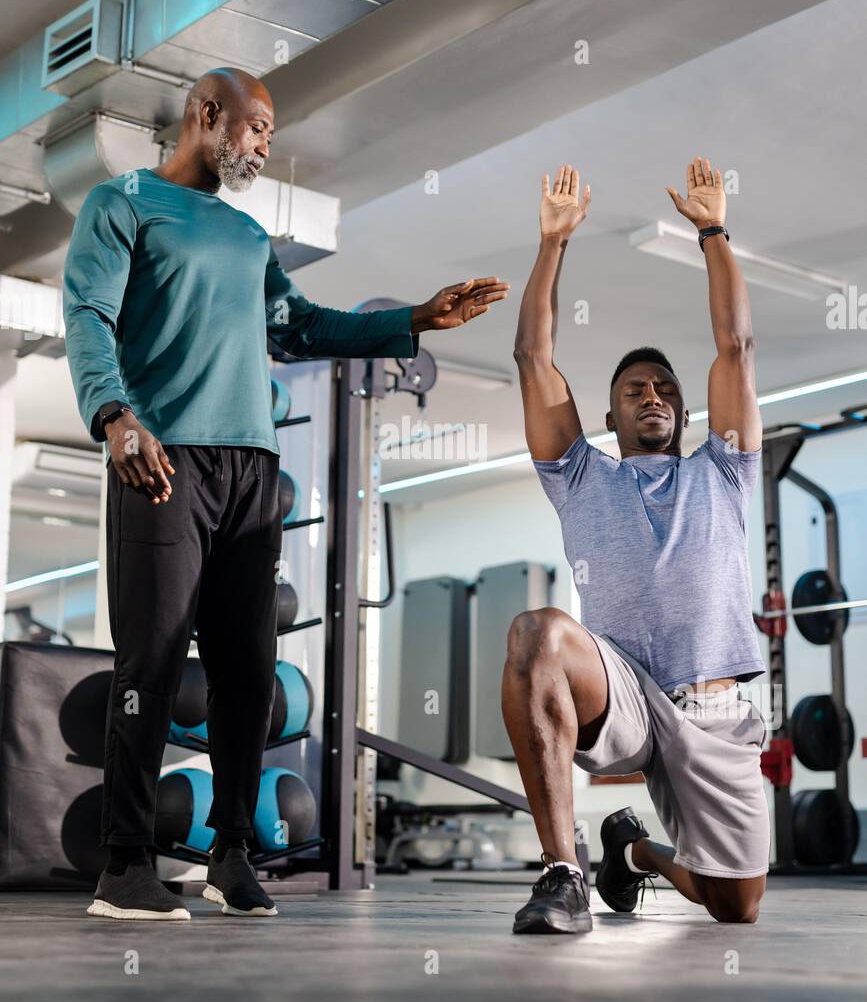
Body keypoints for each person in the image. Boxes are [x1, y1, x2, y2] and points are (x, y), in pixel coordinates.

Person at [63, 66, 509, 921]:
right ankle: (123, 866)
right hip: (164, 460)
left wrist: (412, 318)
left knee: (248, 673)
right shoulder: (122, 204)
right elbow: (87, 313)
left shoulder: (243, 235)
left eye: (270, 132)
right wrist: (114, 416)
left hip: (251, 472)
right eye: (257, 127)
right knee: (149, 665)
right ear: (207, 115)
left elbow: (296, 325)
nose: (267, 144)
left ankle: (231, 850)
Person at [503, 158, 768, 935]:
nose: (651, 395)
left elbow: (738, 347)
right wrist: (551, 246)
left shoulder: (724, 469)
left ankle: (634, 854)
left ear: (682, 412)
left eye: (664, 389)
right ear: (609, 419)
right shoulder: (579, 474)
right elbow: (531, 358)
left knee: (735, 908)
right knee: (538, 633)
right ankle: (562, 872)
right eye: (633, 391)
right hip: (620, 690)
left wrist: (713, 232)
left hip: (713, 710)